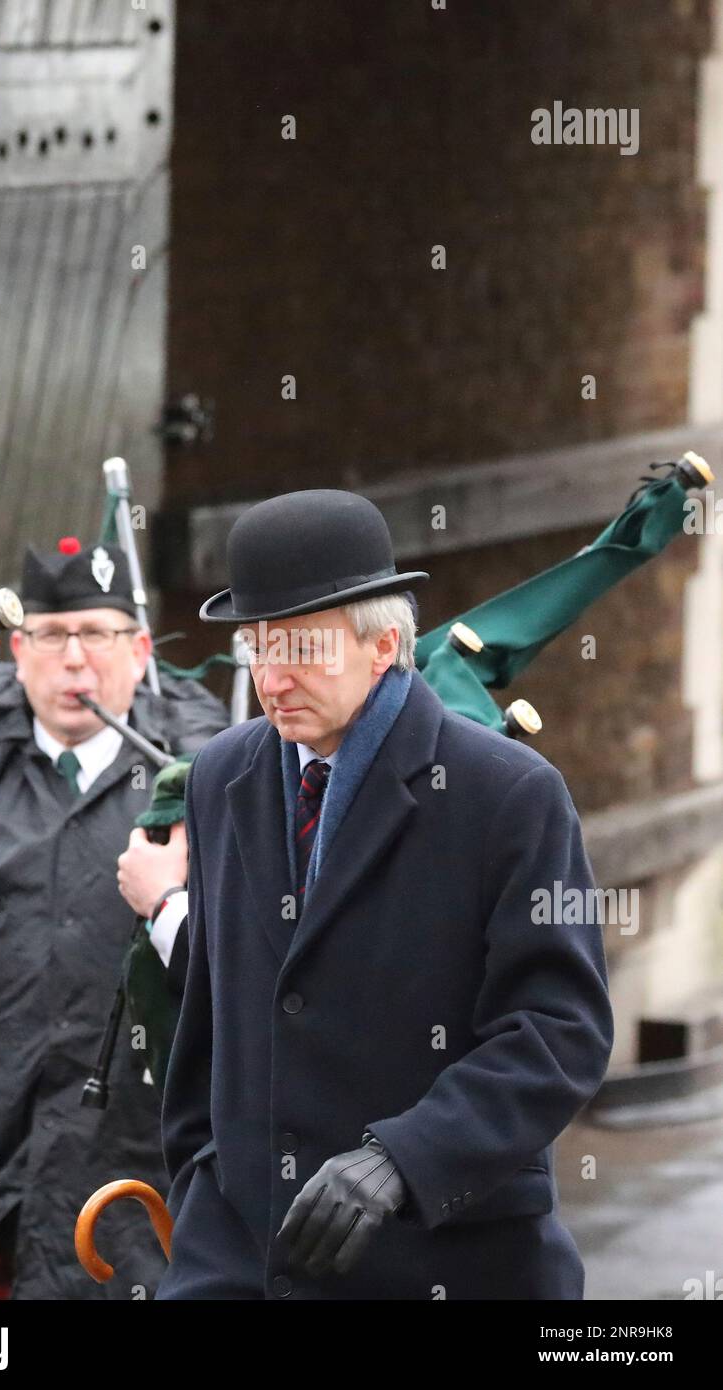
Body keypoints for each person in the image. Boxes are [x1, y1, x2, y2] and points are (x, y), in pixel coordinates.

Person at [135, 488, 613, 1300]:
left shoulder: (510, 793)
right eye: (257, 648)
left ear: (385, 644)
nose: (271, 678)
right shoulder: (222, 776)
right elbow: (210, 1024)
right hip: (239, 1262)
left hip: (449, 1261)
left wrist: (405, 1157)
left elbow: (559, 1032)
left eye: (302, 650)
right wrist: (200, 1192)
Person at [0, 538, 227, 1299]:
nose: (74, 663)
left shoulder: (199, 791)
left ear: (138, 652)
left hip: (142, 1175)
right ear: (19, 650)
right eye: (54, 636)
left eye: (97, 635)